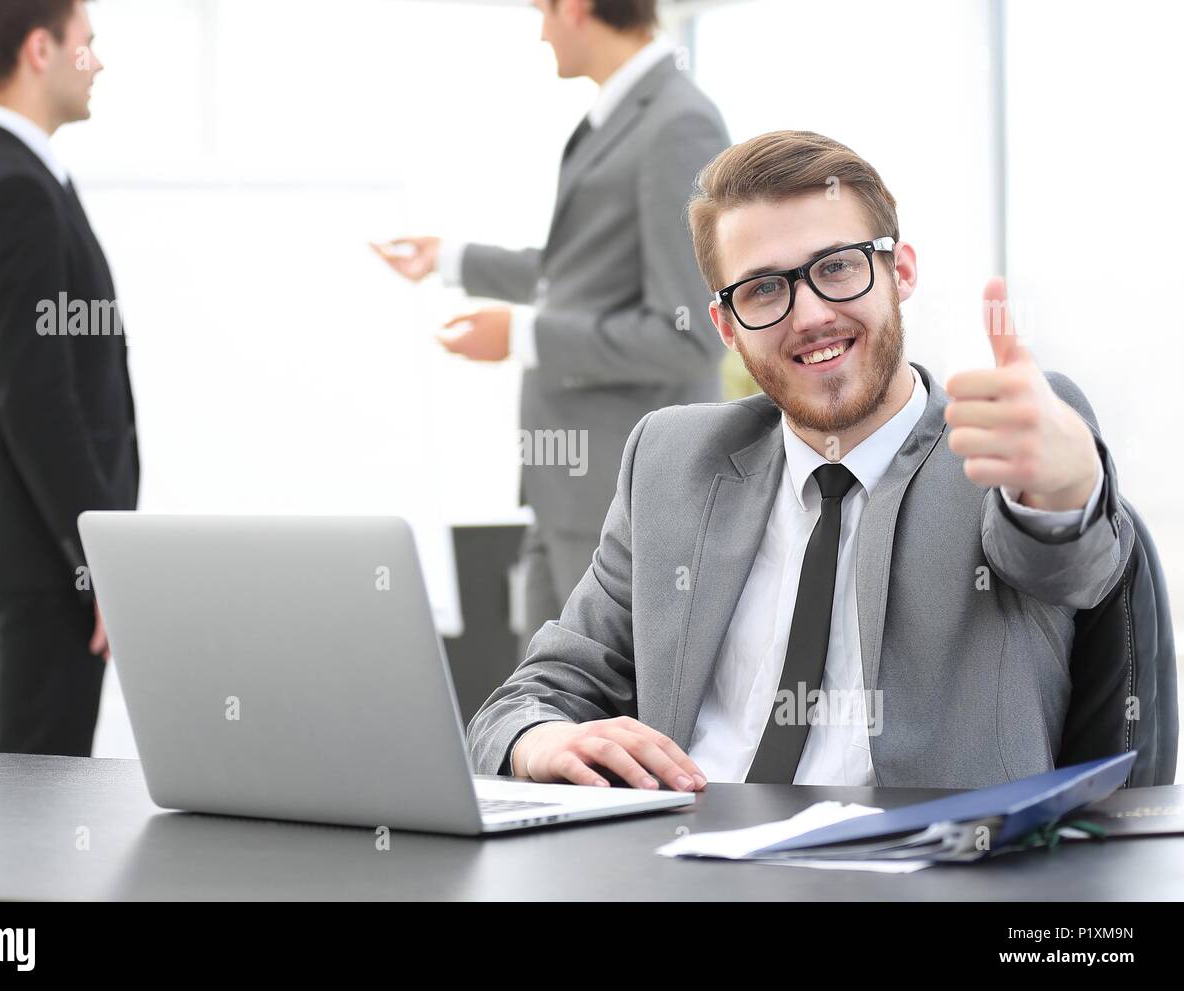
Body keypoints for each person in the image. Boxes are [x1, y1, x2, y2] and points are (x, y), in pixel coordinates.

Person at [467, 130, 1133, 790]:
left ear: (899, 272)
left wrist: (1068, 491)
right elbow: (534, 694)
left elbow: (1073, 567)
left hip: (920, 872)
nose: (809, 314)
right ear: (726, 325)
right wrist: (542, 738)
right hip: (686, 860)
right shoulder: (671, 462)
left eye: (837, 266)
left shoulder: (1000, 443)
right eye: (761, 289)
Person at [372, 0, 728, 647]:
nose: (539, 30)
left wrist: (520, 337)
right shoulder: (623, 115)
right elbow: (580, 269)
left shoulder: (679, 124)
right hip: (566, 492)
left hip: (620, 496)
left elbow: (689, 333)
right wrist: (450, 260)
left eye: (542, 10)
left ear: (578, 7)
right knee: (539, 706)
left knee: (599, 714)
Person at [0, 0, 138, 756]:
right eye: (88, 43)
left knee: (11, 796)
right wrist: (99, 565)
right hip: (49, 564)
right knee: (34, 811)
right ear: (40, 50)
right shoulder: (12, 188)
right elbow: (38, 402)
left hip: (27, 556)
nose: (99, 62)